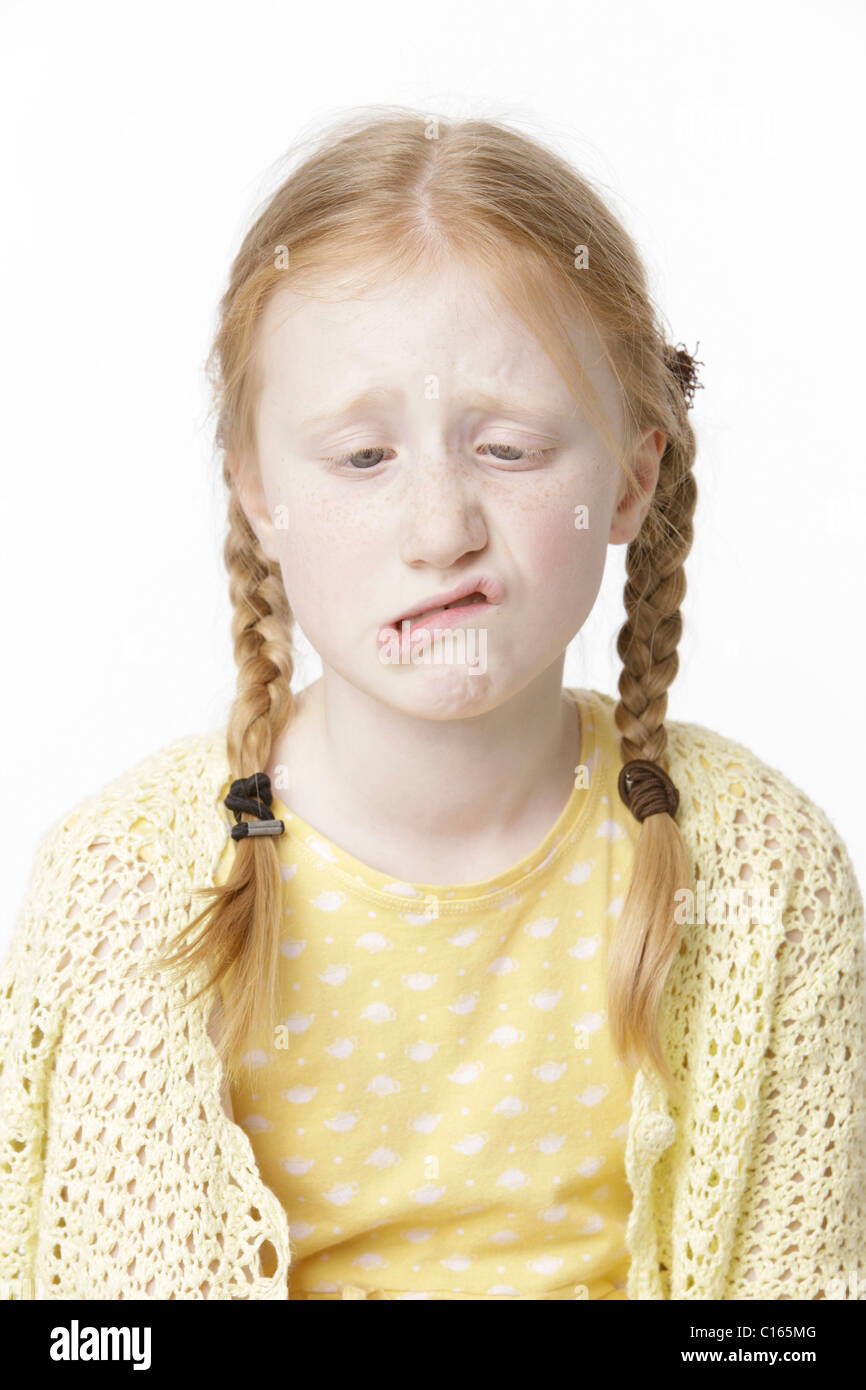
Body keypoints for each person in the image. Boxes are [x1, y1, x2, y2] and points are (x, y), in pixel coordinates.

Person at [2, 109, 863, 1302]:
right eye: (363, 459)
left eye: (507, 448)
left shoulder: (763, 874)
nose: (440, 530)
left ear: (630, 476)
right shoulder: (122, 883)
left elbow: (791, 1323)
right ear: (257, 493)